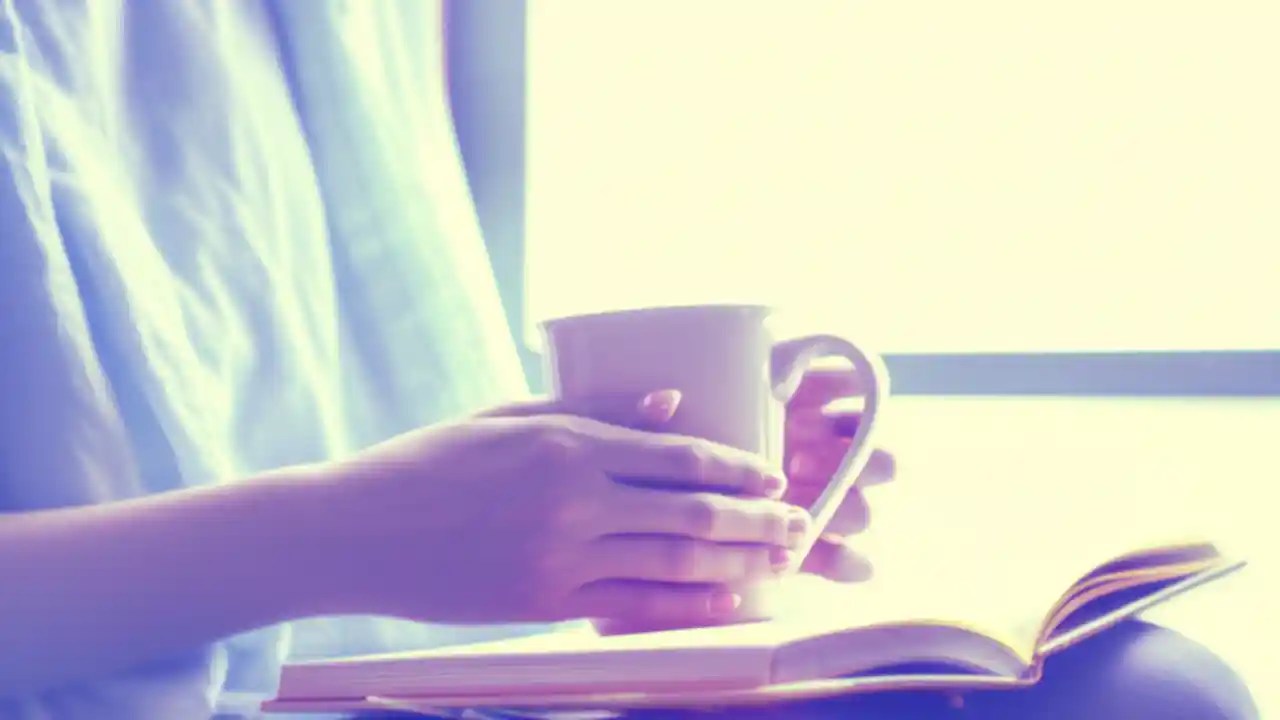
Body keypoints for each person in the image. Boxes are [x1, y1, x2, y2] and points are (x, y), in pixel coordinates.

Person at [0, 2, 1257, 718]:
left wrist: (644, 502)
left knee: (1146, 690)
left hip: (432, 675)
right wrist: (348, 531)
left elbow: (303, 391)